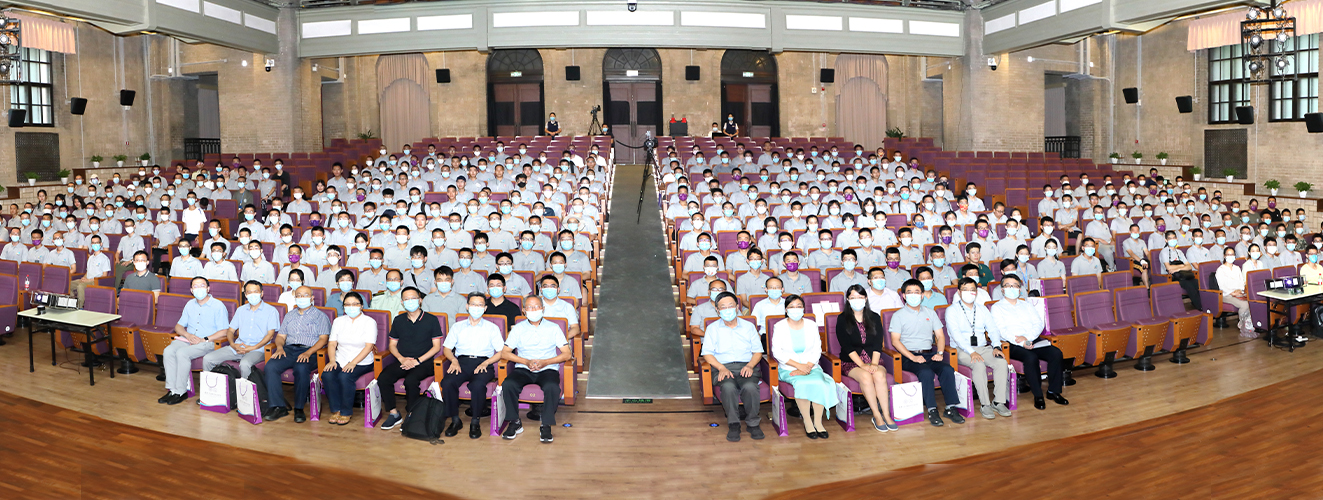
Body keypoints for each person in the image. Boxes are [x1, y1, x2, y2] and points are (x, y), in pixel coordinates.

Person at [888, 279, 964, 427]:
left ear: (922, 295)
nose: (914, 295)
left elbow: (940, 336)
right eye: (909, 292)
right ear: (903, 296)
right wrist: (913, 357)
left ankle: (950, 407)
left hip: (929, 353)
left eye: (917, 292)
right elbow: (895, 341)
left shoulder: (930, 313)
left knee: (947, 369)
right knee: (926, 373)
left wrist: (940, 352)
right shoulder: (898, 315)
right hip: (908, 356)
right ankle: (932, 409)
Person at [499, 295, 572, 443]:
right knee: (508, 384)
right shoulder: (518, 328)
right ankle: (514, 422)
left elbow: (567, 354)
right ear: (524, 311)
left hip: (548, 368)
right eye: (530, 307)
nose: (534, 310)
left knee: (552, 387)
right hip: (524, 368)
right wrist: (525, 361)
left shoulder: (554, 328)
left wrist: (546, 362)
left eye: (537, 306)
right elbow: (505, 352)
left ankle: (546, 425)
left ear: (543, 309)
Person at [990, 275, 1069, 409]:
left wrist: (1028, 338)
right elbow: (1001, 330)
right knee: (1030, 357)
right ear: (1002, 290)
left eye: (1015, 285)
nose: (1012, 288)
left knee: (1056, 353)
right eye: (1008, 285)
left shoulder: (1027, 305)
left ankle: (1053, 391)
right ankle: (1038, 395)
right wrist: (1022, 342)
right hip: (1012, 343)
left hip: (1032, 339)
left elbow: (1038, 323)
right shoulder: (997, 307)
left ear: (1020, 289)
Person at [771, 295, 839, 439]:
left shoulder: (811, 324)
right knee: (802, 383)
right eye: (791, 307)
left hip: (811, 366)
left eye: (799, 306)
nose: (795, 310)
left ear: (803, 308)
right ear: (786, 309)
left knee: (820, 383)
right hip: (789, 368)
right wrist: (798, 366)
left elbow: (817, 349)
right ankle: (808, 422)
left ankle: (818, 423)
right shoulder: (779, 326)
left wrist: (807, 366)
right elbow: (777, 352)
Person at [700, 291, 765, 442]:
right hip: (722, 367)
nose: (727, 309)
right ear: (717, 310)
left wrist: (750, 366)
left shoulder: (748, 327)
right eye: (723, 307)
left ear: (737, 307)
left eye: (731, 305)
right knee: (728, 387)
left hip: (746, 366)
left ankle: (753, 423)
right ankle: (734, 424)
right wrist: (721, 368)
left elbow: (757, 352)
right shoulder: (712, 328)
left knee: (750, 387)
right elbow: (707, 354)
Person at [377, 287, 444, 431]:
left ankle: (412, 415)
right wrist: (402, 359)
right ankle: (394, 413)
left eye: (413, 298)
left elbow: (436, 347)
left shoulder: (431, 320)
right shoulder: (398, 320)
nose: (410, 301)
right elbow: (392, 345)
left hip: (424, 362)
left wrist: (417, 361)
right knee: (383, 378)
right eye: (406, 299)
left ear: (420, 300)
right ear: (402, 302)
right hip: (403, 360)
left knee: (411, 381)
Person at [440, 293, 505, 439]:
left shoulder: (492, 328)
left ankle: (475, 421)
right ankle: (455, 420)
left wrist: (486, 362)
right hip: (461, 362)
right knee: (448, 382)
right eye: (473, 304)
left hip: (484, 363)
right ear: (467, 306)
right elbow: (447, 349)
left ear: (485, 308)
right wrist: (454, 360)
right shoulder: (457, 326)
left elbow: (501, 352)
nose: (476, 308)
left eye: (480, 305)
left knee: (477, 385)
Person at [945, 278, 1011, 420]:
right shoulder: (951, 310)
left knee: (1001, 362)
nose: (969, 292)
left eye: (972, 290)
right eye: (965, 289)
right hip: (961, 350)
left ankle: (998, 401)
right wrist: (971, 352)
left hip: (982, 347)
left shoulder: (982, 309)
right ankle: (985, 405)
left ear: (976, 292)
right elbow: (956, 335)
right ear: (959, 292)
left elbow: (993, 329)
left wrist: (996, 346)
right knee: (978, 364)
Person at [834, 285, 898, 431]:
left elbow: (877, 344)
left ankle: (887, 415)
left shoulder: (874, 317)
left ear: (866, 298)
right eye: (853, 298)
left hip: (873, 359)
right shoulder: (842, 319)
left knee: (880, 375)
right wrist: (862, 365)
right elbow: (846, 346)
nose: (857, 300)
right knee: (866, 377)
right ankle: (877, 415)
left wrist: (874, 364)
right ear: (848, 300)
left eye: (860, 297)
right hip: (851, 362)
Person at [158, 277, 230, 405]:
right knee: (168, 351)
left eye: (202, 286)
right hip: (188, 338)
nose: (199, 289)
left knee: (182, 353)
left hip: (207, 341)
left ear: (208, 288)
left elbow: (224, 331)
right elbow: (178, 326)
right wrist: (187, 334)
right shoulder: (190, 304)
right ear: (191, 290)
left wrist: (204, 339)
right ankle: (172, 389)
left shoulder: (218, 306)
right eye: (195, 287)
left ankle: (180, 391)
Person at [264, 285, 331, 423]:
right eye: (299, 295)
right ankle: (278, 406)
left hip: (310, 351)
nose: (302, 298)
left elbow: (323, 340)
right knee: (271, 366)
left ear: (312, 298)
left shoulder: (320, 316)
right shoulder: (289, 315)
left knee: (301, 368)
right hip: (289, 349)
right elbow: (281, 336)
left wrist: (308, 352)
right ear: (295, 298)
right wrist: (280, 347)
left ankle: (299, 408)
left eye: (305, 295)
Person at [201, 281, 278, 378]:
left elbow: (270, 335)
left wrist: (252, 348)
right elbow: (230, 331)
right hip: (237, 347)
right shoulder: (240, 310)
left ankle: (246, 392)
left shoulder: (271, 311)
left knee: (245, 364)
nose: (252, 295)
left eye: (256, 291)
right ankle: (211, 390)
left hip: (258, 349)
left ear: (262, 293)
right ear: (245, 295)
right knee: (208, 359)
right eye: (249, 292)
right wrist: (233, 344)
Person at [321, 291, 377, 425]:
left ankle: (346, 411)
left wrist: (353, 363)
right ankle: (336, 409)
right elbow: (332, 343)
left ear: (361, 306)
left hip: (362, 361)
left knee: (344, 376)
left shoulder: (369, 322)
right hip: (340, 359)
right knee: (327, 374)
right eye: (347, 304)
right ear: (343, 307)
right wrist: (332, 360)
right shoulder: (338, 321)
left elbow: (369, 346)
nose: (351, 307)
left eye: (355, 304)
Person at [1157, 230, 1203, 311]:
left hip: (1183, 275)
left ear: (1177, 238)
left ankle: (1204, 304)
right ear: (1166, 240)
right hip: (1171, 277)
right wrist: (1182, 265)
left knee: (1196, 282)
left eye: (1174, 238)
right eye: (1170, 238)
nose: (1172, 240)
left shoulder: (1179, 252)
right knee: (1189, 285)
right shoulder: (1164, 252)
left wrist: (1178, 268)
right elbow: (1168, 268)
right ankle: (1200, 307)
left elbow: (1189, 267)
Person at [1215, 247, 1254, 339]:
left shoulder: (1237, 268)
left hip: (1238, 292)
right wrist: (1232, 293)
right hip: (1226, 294)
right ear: (1224, 256)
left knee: (1252, 300)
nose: (1230, 256)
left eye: (1232, 254)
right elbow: (1221, 286)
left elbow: (1241, 282)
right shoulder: (1220, 269)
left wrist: (1240, 290)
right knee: (1244, 305)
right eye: (1228, 255)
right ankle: (1243, 324)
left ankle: (1251, 323)